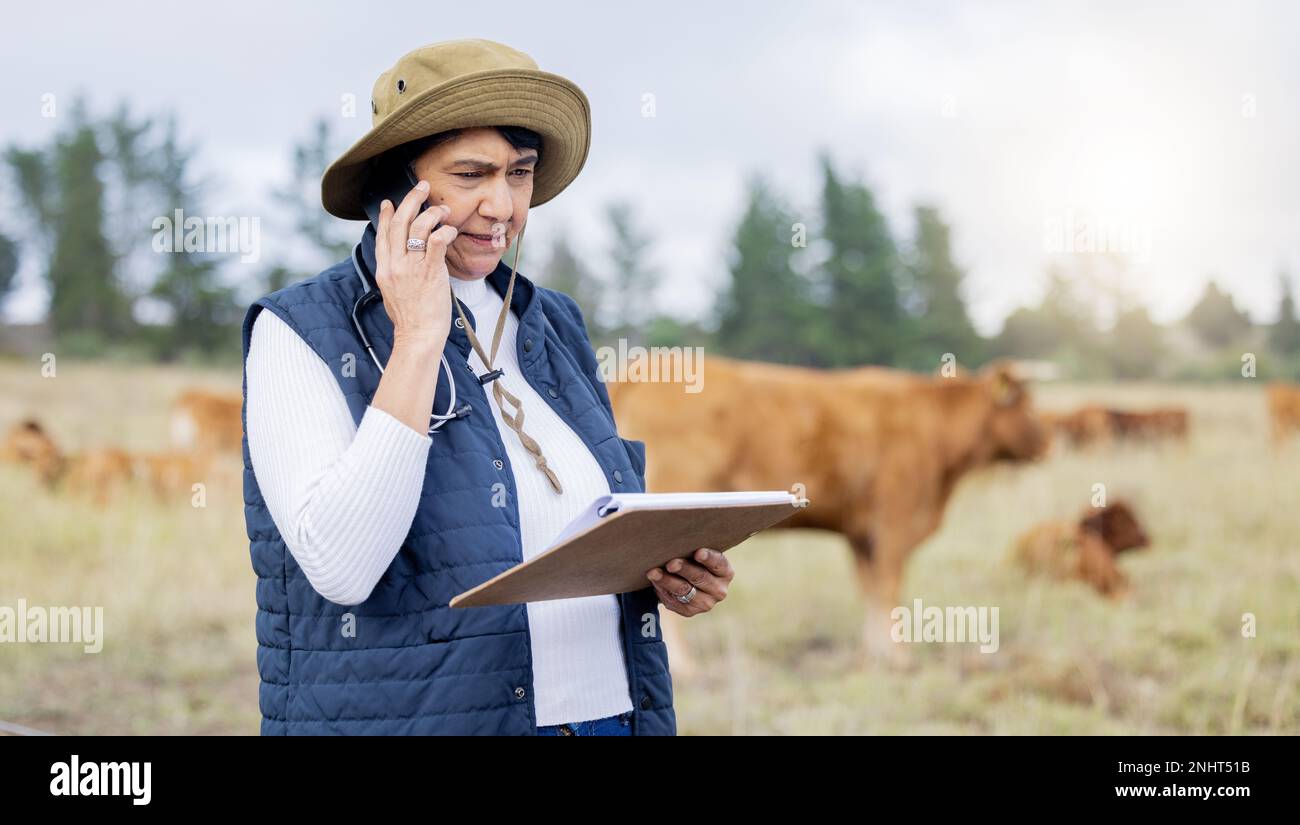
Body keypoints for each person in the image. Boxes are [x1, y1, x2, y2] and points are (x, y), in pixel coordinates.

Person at [241, 38, 734, 735]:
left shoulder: (551, 320)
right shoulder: (299, 330)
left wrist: (665, 569)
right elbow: (343, 567)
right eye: (471, 173)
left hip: (606, 719)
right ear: (395, 187)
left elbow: (575, 521)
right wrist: (416, 336)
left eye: (520, 173)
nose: (502, 205)